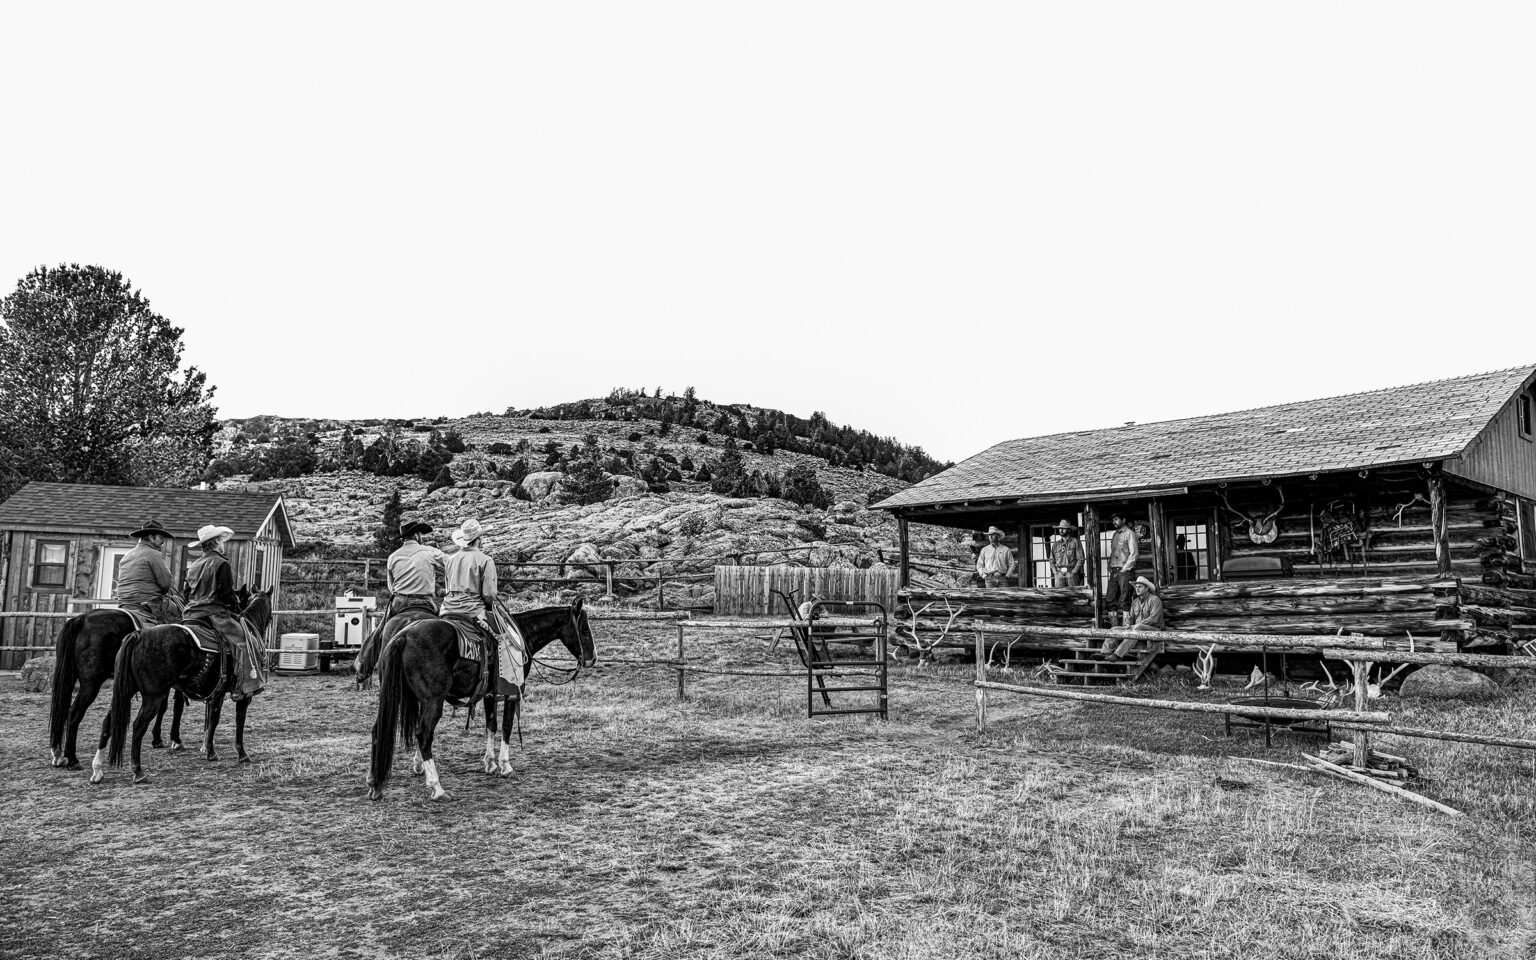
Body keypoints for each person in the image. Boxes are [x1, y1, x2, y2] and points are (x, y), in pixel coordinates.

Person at [442, 519, 525, 695]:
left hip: (448, 610)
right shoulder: (485, 560)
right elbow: (489, 594)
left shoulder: (450, 559)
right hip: (472, 610)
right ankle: (509, 687)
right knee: (509, 639)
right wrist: (490, 603)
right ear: (479, 539)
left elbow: (448, 586)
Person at [182, 523, 265, 701]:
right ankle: (244, 686)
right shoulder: (221, 563)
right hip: (214, 614)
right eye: (221, 540)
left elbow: (186, 594)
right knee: (246, 642)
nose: (223, 544)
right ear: (216, 542)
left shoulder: (194, 565)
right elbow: (226, 594)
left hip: (190, 616)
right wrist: (236, 607)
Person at [113, 519, 183, 626]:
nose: (163, 541)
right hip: (148, 603)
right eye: (161, 537)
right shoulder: (154, 554)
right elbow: (166, 582)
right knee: (181, 616)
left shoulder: (126, 556)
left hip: (124, 604)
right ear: (151, 537)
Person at [1098, 576, 1164, 660]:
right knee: (1114, 628)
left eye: (1140, 587)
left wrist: (1135, 626)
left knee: (1138, 627)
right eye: (1136, 587)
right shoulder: (1135, 602)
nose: (1137, 589)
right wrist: (1128, 624)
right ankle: (1105, 652)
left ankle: (1117, 655)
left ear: (1146, 588)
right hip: (1137, 629)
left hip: (1154, 629)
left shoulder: (1154, 600)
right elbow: (1130, 617)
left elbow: (1154, 619)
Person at [1104, 511, 1140, 626]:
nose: (1114, 522)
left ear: (1123, 520)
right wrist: (1110, 566)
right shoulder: (1115, 535)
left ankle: (1126, 628)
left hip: (1125, 572)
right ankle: (1115, 629)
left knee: (1125, 600)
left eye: (1116, 519)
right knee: (1110, 599)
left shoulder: (1129, 533)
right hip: (1114, 572)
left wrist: (1124, 569)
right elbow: (1114, 553)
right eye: (1113, 520)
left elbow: (1134, 554)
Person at [1049, 519, 1084, 587]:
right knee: (1059, 596)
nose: (1061, 530)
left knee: (1073, 596)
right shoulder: (1055, 545)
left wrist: (1073, 572)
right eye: (1060, 528)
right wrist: (1055, 573)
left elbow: (1081, 559)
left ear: (1069, 530)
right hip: (1059, 576)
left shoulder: (1076, 542)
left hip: (1071, 575)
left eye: (1063, 528)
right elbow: (1051, 560)